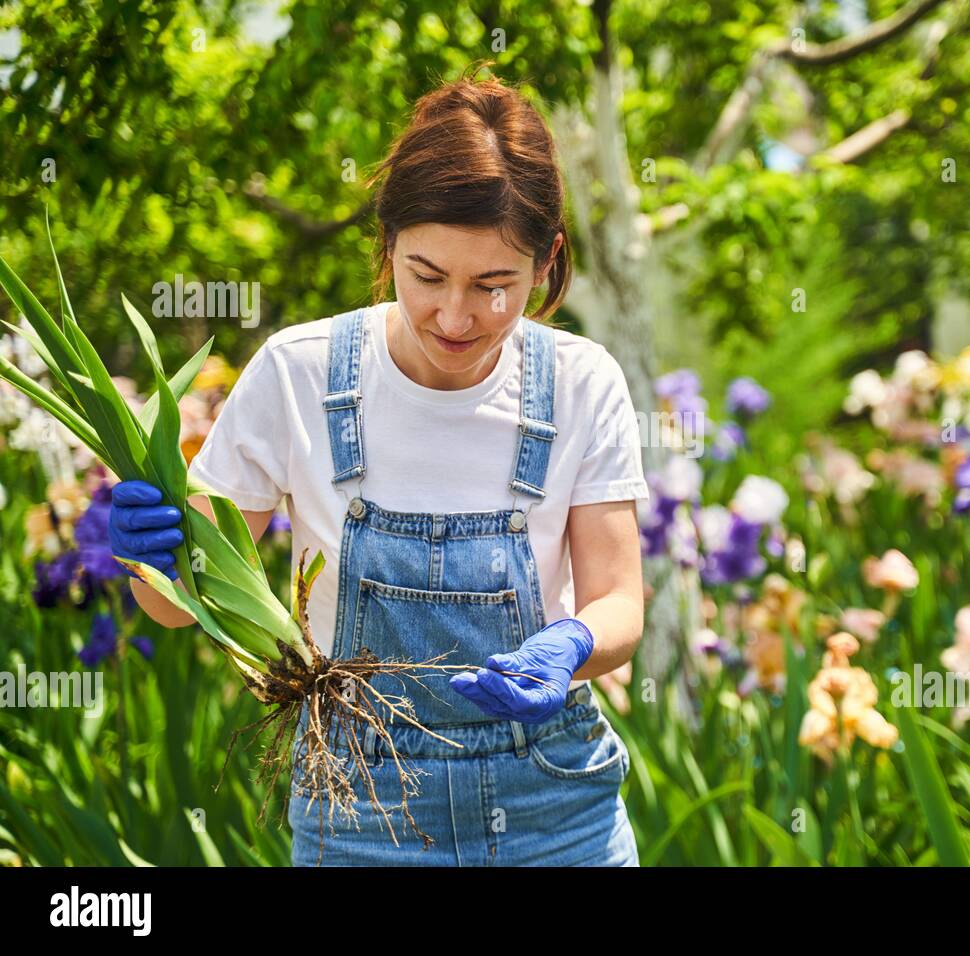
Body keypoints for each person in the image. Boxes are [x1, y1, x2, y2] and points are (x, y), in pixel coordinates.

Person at [111, 67, 648, 866]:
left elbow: (619, 605)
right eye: (426, 275)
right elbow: (178, 610)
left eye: (495, 285)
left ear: (546, 264)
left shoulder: (580, 382)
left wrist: (568, 641)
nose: (456, 315)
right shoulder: (299, 374)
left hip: (554, 810)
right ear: (388, 244)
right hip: (363, 811)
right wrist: (148, 561)